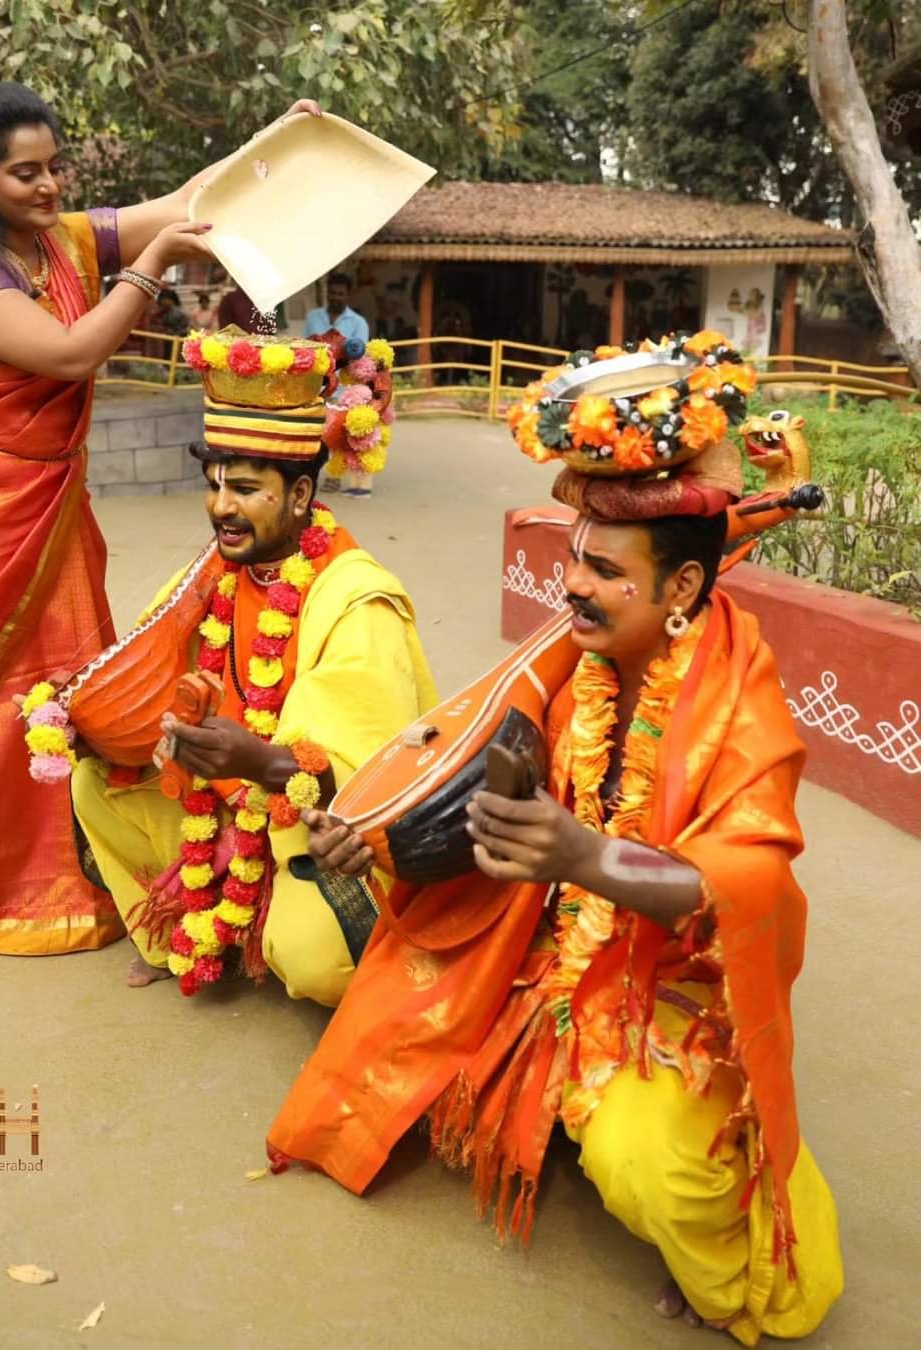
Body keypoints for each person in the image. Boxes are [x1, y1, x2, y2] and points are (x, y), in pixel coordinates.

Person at [269, 334, 843, 1345]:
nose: (569, 587)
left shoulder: (739, 699)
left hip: (670, 980)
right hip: (539, 938)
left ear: (682, 597)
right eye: (572, 558)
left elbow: (749, 880)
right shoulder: (566, 663)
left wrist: (584, 858)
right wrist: (384, 839)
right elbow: (470, 790)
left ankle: (728, 1232)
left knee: (651, 1167)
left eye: (604, 572)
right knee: (371, 991)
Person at [0, 79, 320, 955]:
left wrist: (278, 143)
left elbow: (192, 202)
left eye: (54, 168)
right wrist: (150, 266)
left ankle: (86, 878)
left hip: (48, 496)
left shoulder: (62, 242)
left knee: (73, 676)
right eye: (24, 174)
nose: (48, 189)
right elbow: (69, 353)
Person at [62, 326, 436, 996]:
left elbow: (375, 786)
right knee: (92, 784)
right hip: (216, 807)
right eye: (212, 485)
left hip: (312, 834)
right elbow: (150, 678)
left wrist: (259, 763)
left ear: (298, 496)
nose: (219, 508)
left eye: (242, 488)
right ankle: (187, 928)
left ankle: (265, 927)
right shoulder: (211, 575)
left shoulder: (356, 598)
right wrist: (88, 720)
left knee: (318, 960)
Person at [307, 274, 374, 498]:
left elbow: (359, 358)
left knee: (344, 437)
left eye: (340, 293)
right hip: (318, 386)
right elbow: (307, 348)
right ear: (327, 293)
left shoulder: (358, 323)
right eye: (332, 293)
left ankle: (343, 481)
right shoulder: (313, 317)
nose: (336, 297)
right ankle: (319, 477)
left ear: (348, 295)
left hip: (346, 390)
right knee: (318, 434)